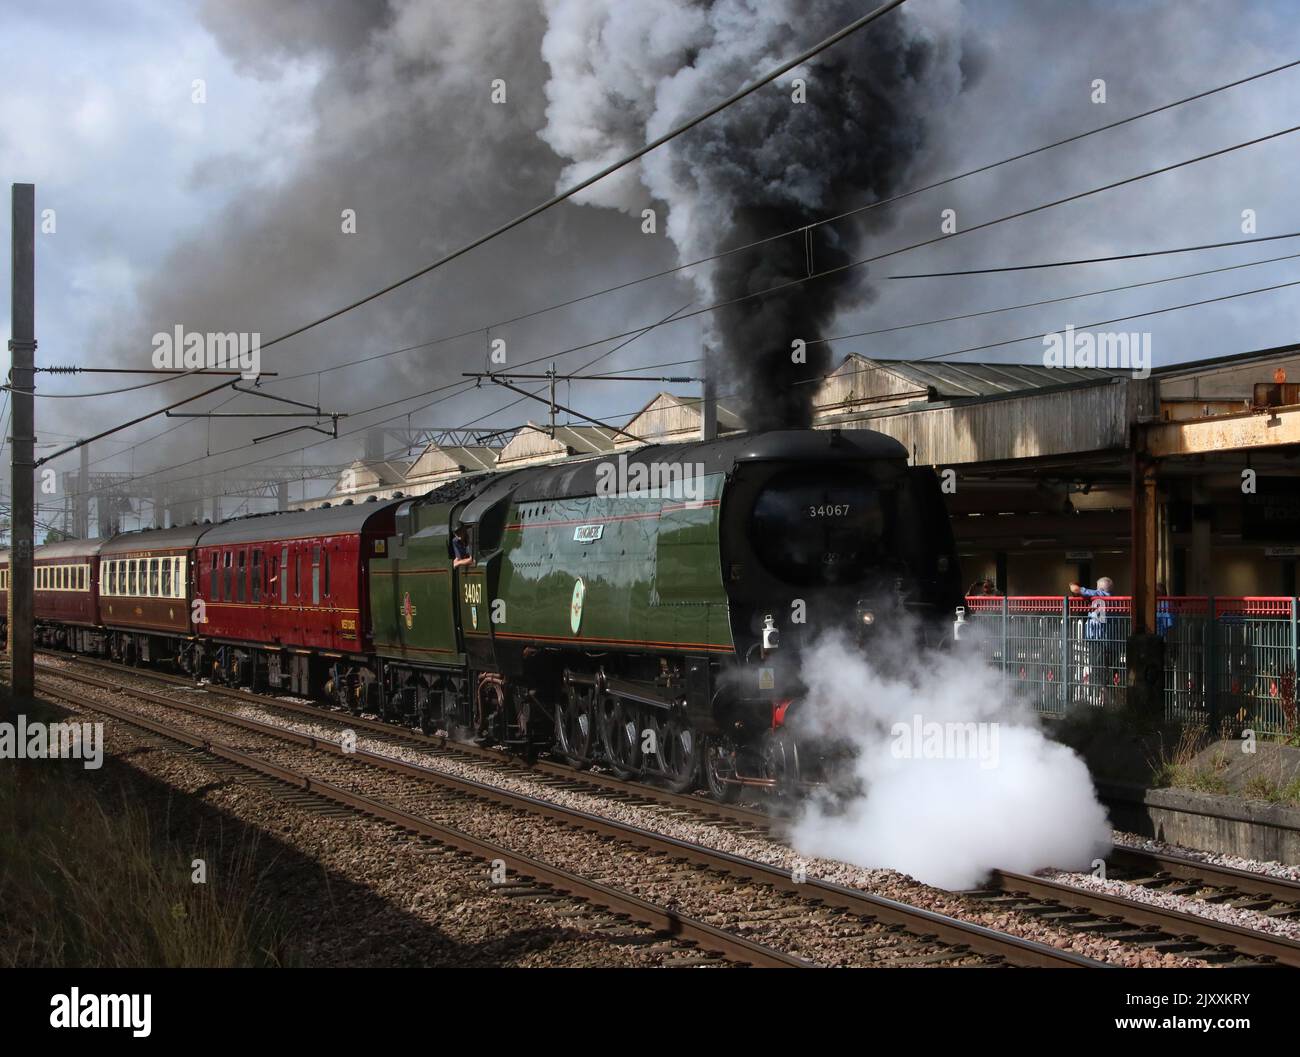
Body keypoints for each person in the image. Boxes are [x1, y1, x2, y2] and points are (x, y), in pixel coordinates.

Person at [1069, 576, 1114, 700]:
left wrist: (1080, 589)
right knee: (1100, 668)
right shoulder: (1104, 599)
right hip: (1100, 639)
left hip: (1099, 639)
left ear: (1101, 588)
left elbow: (1087, 592)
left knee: (1098, 667)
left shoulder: (1103, 596)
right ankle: (1102, 696)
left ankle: (1103, 697)